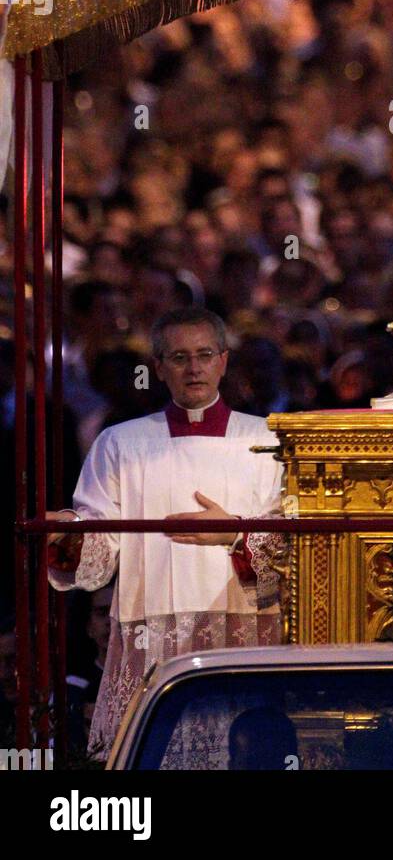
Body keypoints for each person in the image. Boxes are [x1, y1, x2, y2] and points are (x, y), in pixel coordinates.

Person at [46, 306, 284, 761]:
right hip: (153, 635)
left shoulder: (268, 443)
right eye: (178, 357)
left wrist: (235, 535)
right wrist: (69, 536)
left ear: (224, 361)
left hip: (243, 631)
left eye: (204, 354)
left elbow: (292, 551)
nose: (193, 368)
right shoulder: (120, 443)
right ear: (158, 367)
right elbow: (98, 552)